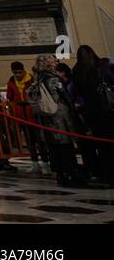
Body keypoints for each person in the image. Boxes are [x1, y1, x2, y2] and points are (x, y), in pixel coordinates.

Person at [28, 55, 83, 187]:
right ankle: (69, 173)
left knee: (54, 146)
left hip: (46, 117)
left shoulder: (38, 78)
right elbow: (60, 96)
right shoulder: (52, 78)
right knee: (64, 145)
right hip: (58, 116)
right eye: (53, 61)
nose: (55, 63)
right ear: (48, 64)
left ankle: (60, 174)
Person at [71, 45, 114, 185]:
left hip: (91, 112)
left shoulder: (77, 70)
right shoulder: (103, 64)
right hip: (108, 109)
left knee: (101, 145)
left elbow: (76, 91)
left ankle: (107, 174)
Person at [5, 61, 44, 170]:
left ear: (23, 71)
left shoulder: (32, 79)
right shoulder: (11, 81)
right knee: (29, 142)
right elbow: (10, 97)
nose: (17, 75)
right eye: (15, 73)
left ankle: (46, 163)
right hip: (20, 115)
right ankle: (35, 164)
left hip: (33, 114)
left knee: (40, 141)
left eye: (19, 72)